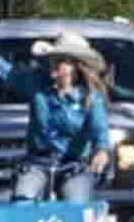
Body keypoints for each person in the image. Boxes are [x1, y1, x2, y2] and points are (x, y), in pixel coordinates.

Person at [21, 37, 112, 201]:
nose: (53, 64)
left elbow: (99, 129)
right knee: (22, 200)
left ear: (74, 67)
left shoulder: (90, 98)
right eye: (52, 60)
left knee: (76, 206)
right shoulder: (37, 89)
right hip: (37, 164)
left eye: (60, 61)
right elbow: (1, 67)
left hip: (74, 166)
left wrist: (101, 150)